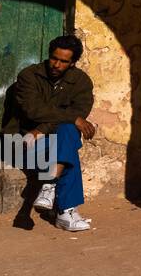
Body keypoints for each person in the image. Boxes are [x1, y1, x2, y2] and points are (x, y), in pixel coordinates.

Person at [5, 35, 97, 232]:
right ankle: (66, 212)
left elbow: (79, 113)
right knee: (69, 143)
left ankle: (49, 184)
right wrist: (72, 118)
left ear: (72, 63)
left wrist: (46, 128)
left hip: (49, 137)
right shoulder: (28, 76)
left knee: (68, 132)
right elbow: (34, 111)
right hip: (25, 139)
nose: (56, 64)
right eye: (54, 58)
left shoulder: (81, 82)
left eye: (63, 61)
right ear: (49, 56)